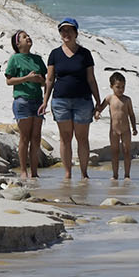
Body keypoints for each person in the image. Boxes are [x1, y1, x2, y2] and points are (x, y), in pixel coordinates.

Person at [39, 17, 102, 180]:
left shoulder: (85, 54)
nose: (66, 33)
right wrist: (45, 101)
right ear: (60, 33)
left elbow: (91, 79)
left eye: (70, 30)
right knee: (65, 138)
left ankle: (84, 173)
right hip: (60, 101)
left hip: (83, 100)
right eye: (63, 30)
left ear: (76, 33)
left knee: (82, 138)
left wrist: (98, 101)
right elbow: (50, 79)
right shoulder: (55, 54)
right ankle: (67, 174)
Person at [3, 29, 47, 181]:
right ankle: (23, 171)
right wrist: (26, 78)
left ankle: (34, 172)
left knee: (36, 138)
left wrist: (38, 81)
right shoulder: (15, 59)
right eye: (24, 37)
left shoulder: (37, 59)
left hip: (38, 101)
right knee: (24, 137)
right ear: (17, 43)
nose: (28, 37)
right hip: (22, 100)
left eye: (28, 35)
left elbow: (44, 81)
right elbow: (9, 81)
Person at [95, 71, 138, 180]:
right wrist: (97, 113)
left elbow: (131, 115)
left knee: (127, 152)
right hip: (114, 130)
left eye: (123, 87)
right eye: (118, 87)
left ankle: (127, 175)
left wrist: (134, 128)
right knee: (114, 152)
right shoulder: (109, 98)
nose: (121, 89)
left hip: (126, 130)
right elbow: (100, 107)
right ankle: (115, 175)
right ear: (111, 86)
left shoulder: (127, 100)